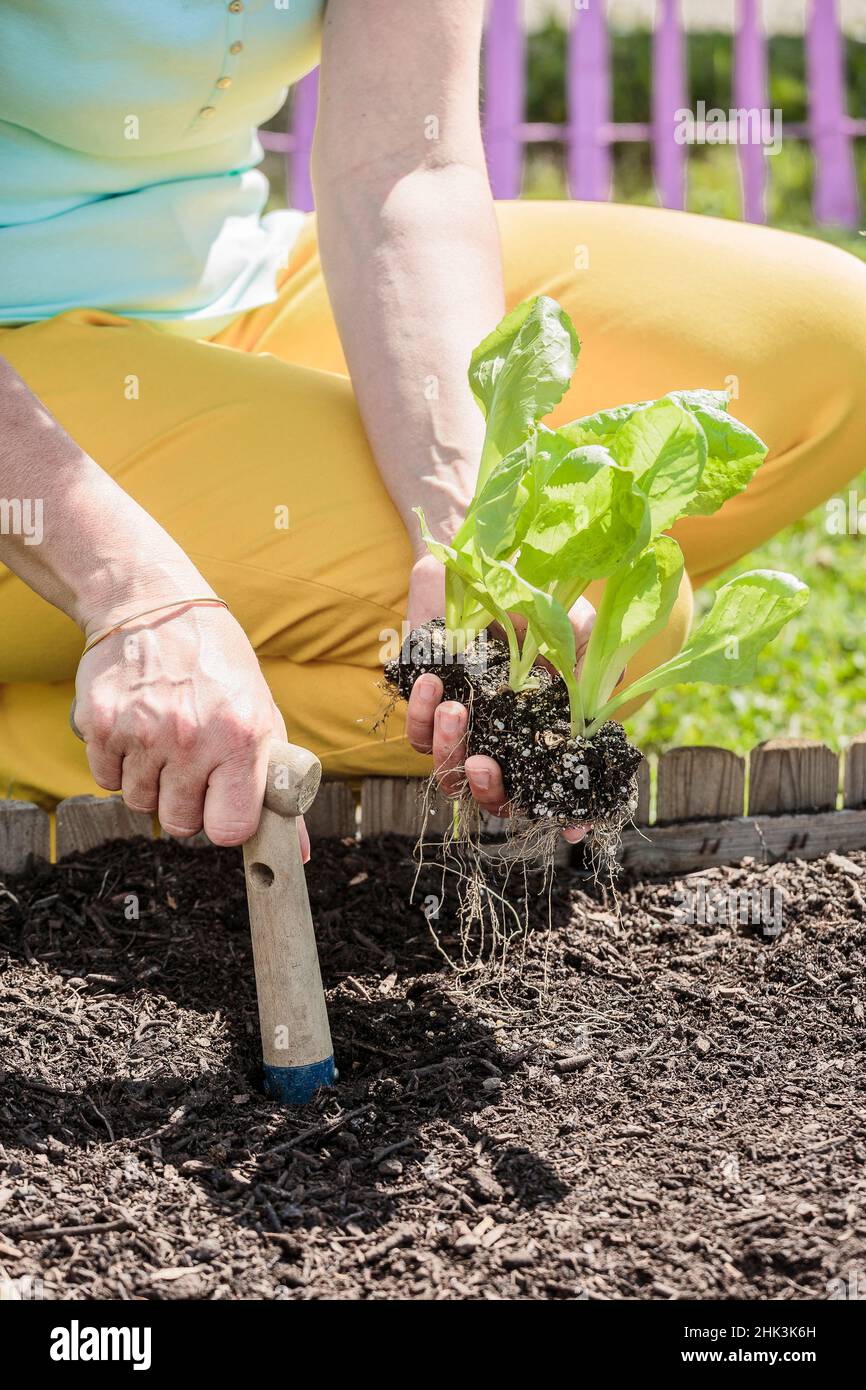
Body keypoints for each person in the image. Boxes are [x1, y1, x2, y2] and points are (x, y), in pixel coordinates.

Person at [2, 0, 865, 857]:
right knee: (635, 622)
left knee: (830, 346)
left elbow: (403, 165)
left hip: (228, 285)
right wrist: (140, 598)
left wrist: (462, 520)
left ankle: (154, 681)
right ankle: (71, 728)